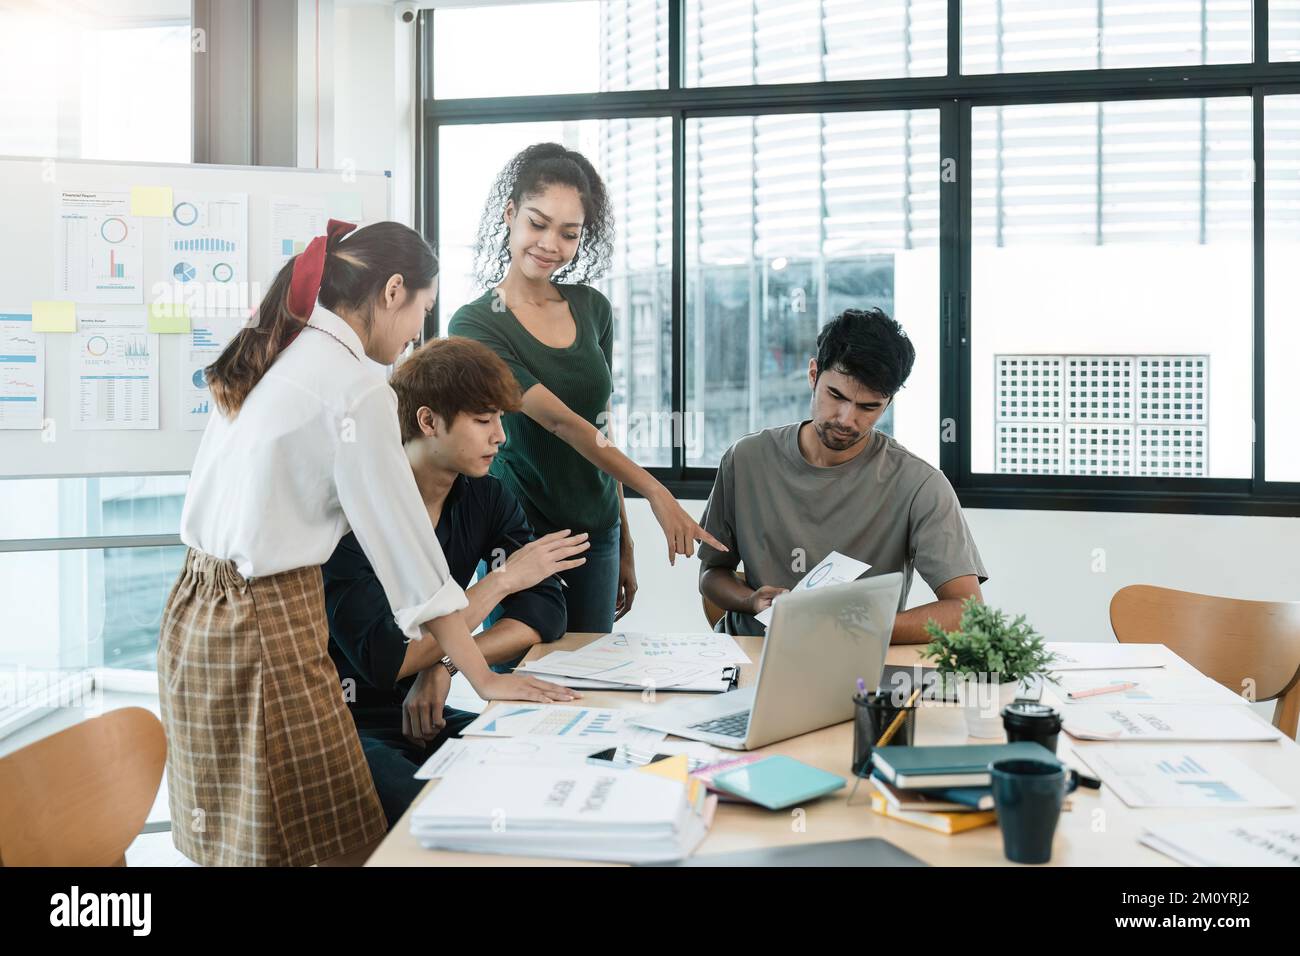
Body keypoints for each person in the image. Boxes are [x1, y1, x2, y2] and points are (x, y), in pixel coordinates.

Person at [159, 219, 574, 868]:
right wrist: (482, 676)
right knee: (319, 837)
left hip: (199, 612)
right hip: (266, 620)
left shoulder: (279, 351)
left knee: (246, 834)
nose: (417, 334)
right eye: (422, 312)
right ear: (392, 291)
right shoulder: (354, 386)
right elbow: (405, 548)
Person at [449, 142, 725, 634]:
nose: (550, 243)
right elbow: (559, 423)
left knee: (594, 680)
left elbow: (600, 423)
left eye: (568, 233)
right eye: (537, 223)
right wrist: (656, 491)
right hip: (522, 536)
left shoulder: (592, 308)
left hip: (597, 532)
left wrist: (623, 538)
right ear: (510, 214)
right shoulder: (474, 323)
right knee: (522, 683)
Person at [322, 336, 588, 827]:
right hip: (345, 721)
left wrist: (444, 663)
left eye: (501, 420)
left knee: (561, 764)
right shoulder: (355, 512)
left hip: (428, 714)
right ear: (428, 422)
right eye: (484, 421)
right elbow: (388, 660)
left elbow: (546, 614)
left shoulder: (486, 496)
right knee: (438, 817)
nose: (501, 437)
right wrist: (502, 581)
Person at [697, 307, 988, 641]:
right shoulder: (745, 459)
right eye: (836, 396)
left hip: (854, 663)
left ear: (888, 403)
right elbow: (711, 573)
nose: (847, 420)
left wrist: (858, 626)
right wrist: (750, 601)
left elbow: (967, 612)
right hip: (749, 651)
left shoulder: (919, 484)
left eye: (869, 407)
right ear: (813, 374)